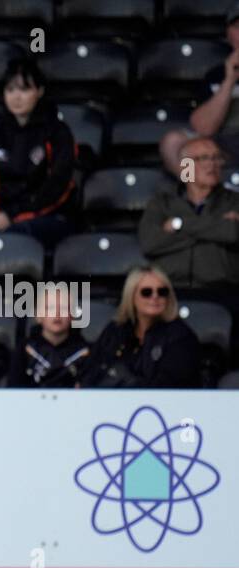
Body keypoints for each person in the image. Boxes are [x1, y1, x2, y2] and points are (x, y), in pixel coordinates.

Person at [0, 58, 77, 248]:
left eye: (24, 89)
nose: (16, 97)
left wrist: (14, 215)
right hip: (2, 217)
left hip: (48, 216)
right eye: (10, 90)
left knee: (15, 236)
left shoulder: (57, 131)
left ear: (40, 91)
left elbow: (58, 185)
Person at [137, 136, 239, 322]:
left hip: (221, 293)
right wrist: (216, 226)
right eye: (202, 158)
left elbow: (233, 233)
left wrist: (180, 225)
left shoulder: (234, 201)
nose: (212, 164)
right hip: (168, 293)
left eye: (216, 158)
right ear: (185, 167)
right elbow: (150, 242)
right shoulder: (162, 203)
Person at [82, 265, 201, 388]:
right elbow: (91, 371)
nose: (155, 296)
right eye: (146, 292)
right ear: (131, 296)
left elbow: (171, 386)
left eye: (162, 292)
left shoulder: (180, 336)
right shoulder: (115, 330)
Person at [159, 5, 239, 177]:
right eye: (238, 27)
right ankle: (195, 191)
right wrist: (229, 81)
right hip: (222, 147)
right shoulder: (217, 76)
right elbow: (203, 128)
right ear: (229, 34)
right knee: (173, 143)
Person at [5, 284, 91, 387]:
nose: (57, 314)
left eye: (64, 308)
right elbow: (13, 391)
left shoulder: (84, 352)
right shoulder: (24, 350)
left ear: (72, 314)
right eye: (50, 308)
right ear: (38, 315)